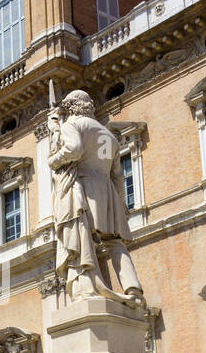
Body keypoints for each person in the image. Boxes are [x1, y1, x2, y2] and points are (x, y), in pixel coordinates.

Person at [48, 88, 144, 302]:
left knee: (82, 239)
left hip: (83, 187)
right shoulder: (109, 136)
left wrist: (54, 160)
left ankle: (87, 287)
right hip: (107, 191)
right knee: (115, 242)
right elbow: (118, 175)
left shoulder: (73, 125)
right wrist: (119, 204)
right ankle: (133, 288)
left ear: (71, 106)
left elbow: (74, 148)